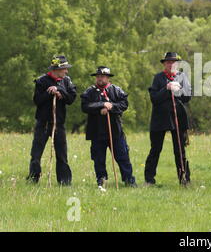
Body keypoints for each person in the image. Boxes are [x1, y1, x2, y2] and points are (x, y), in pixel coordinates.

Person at [81, 66, 137, 188]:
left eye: (102, 76)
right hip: (97, 132)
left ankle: (129, 180)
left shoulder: (117, 90)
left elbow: (124, 104)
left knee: (123, 157)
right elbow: (85, 106)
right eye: (98, 76)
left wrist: (111, 106)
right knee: (98, 159)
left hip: (115, 131)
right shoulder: (89, 92)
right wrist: (100, 106)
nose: (100, 78)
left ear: (107, 78)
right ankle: (102, 181)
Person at [27, 55, 76, 185]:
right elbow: (37, 100)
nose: (66, 71)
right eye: (64, 68)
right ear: (56, 69)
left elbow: (71, 99)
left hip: (58, 124)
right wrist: (49, 93)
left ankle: (64, 182)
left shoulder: (66, 81)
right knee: (36, 155)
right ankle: (33, 179)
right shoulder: (41, 81)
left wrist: (60, 90)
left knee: (62, 156)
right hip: (43, 124)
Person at [144, 52, 192, 185]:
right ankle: (149, 180)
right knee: (155, 149)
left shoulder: (183, 77)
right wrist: (167, 88)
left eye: (173, 62)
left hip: (178, 117)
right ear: (164, 64)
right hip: (160, 117)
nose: (171, 64)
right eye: (168, 62)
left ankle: (184, 179)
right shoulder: (158, 78)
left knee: (180, 150)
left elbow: (187, 96)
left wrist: (178, 89)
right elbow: (154, 98)